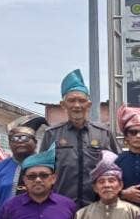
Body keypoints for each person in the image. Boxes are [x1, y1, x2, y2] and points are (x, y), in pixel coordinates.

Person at [39, 69, 119, 207]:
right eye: (71, 101)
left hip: (97, 207)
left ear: (88, 105)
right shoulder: (51, 134)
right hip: (60, 207)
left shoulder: (103, 133)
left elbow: (118, 167)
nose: (77, 105)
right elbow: (43, 170)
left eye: (81, 101)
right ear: (63, 105)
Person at [0, 115, 46, 210]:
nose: (20, 142)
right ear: (9, 144)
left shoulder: (48, 167)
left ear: (35, 142)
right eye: (14, 139)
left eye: (24, 138)